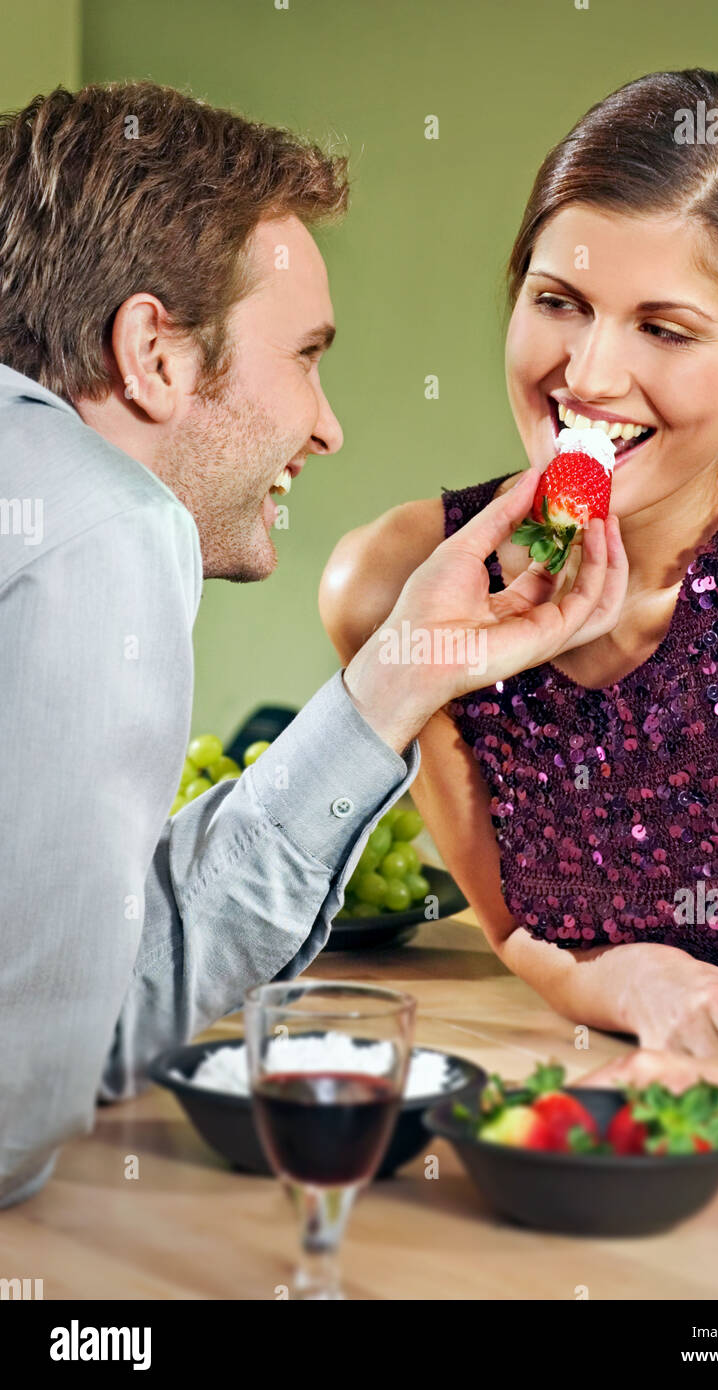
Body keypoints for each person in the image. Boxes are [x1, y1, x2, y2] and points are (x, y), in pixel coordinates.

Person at [0, 82, 627, 1207]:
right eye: (304, 354)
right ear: (154, 353)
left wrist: (398, 678)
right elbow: (17, 1108)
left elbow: (78, 1008)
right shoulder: (101, 525)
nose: (327, 425)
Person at [320, 69, 718, 1145]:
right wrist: (626, 982)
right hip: (617, 1146)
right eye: (558, 301)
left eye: (663, 328)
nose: (589, 373)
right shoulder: (397, 584)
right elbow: (514, 928)